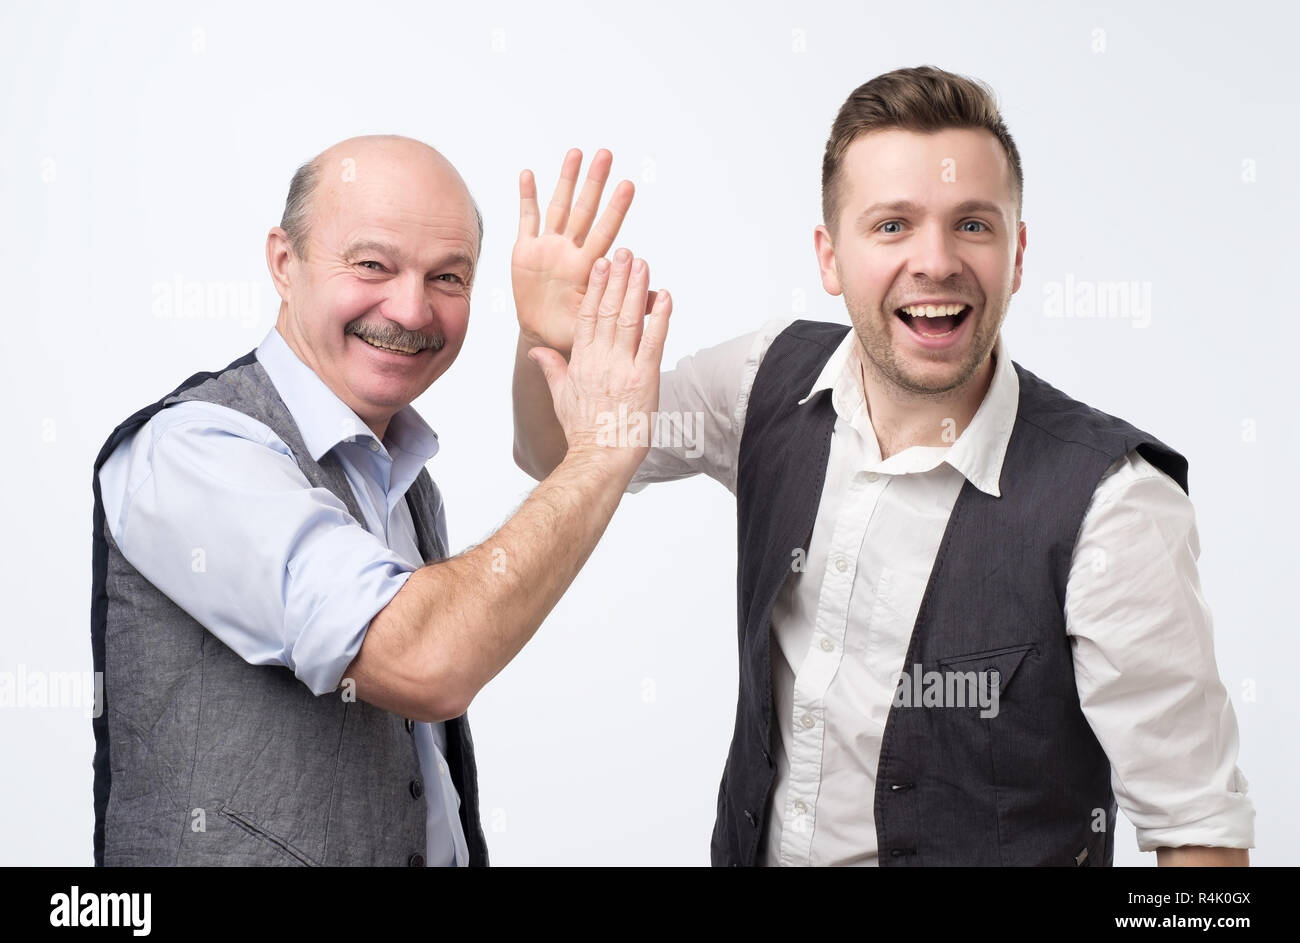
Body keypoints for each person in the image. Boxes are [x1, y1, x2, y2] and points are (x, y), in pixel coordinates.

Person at [511, 67, 1256, 866]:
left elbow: (1198, 838)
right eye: (892, 226)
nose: (935, 262)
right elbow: (558, 454)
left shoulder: (1116, 506)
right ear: (830, 257)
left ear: (1017, 252)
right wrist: (543, 340)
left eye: (973, 224)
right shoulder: (762, 378)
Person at [91, 134, 672, 866]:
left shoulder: (403, 480)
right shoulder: (192, 452)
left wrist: (543, 344)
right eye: (372, 265)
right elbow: (428, 658)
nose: (411, 309)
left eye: (449, 278)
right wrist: (603, 451)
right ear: (284, 262)